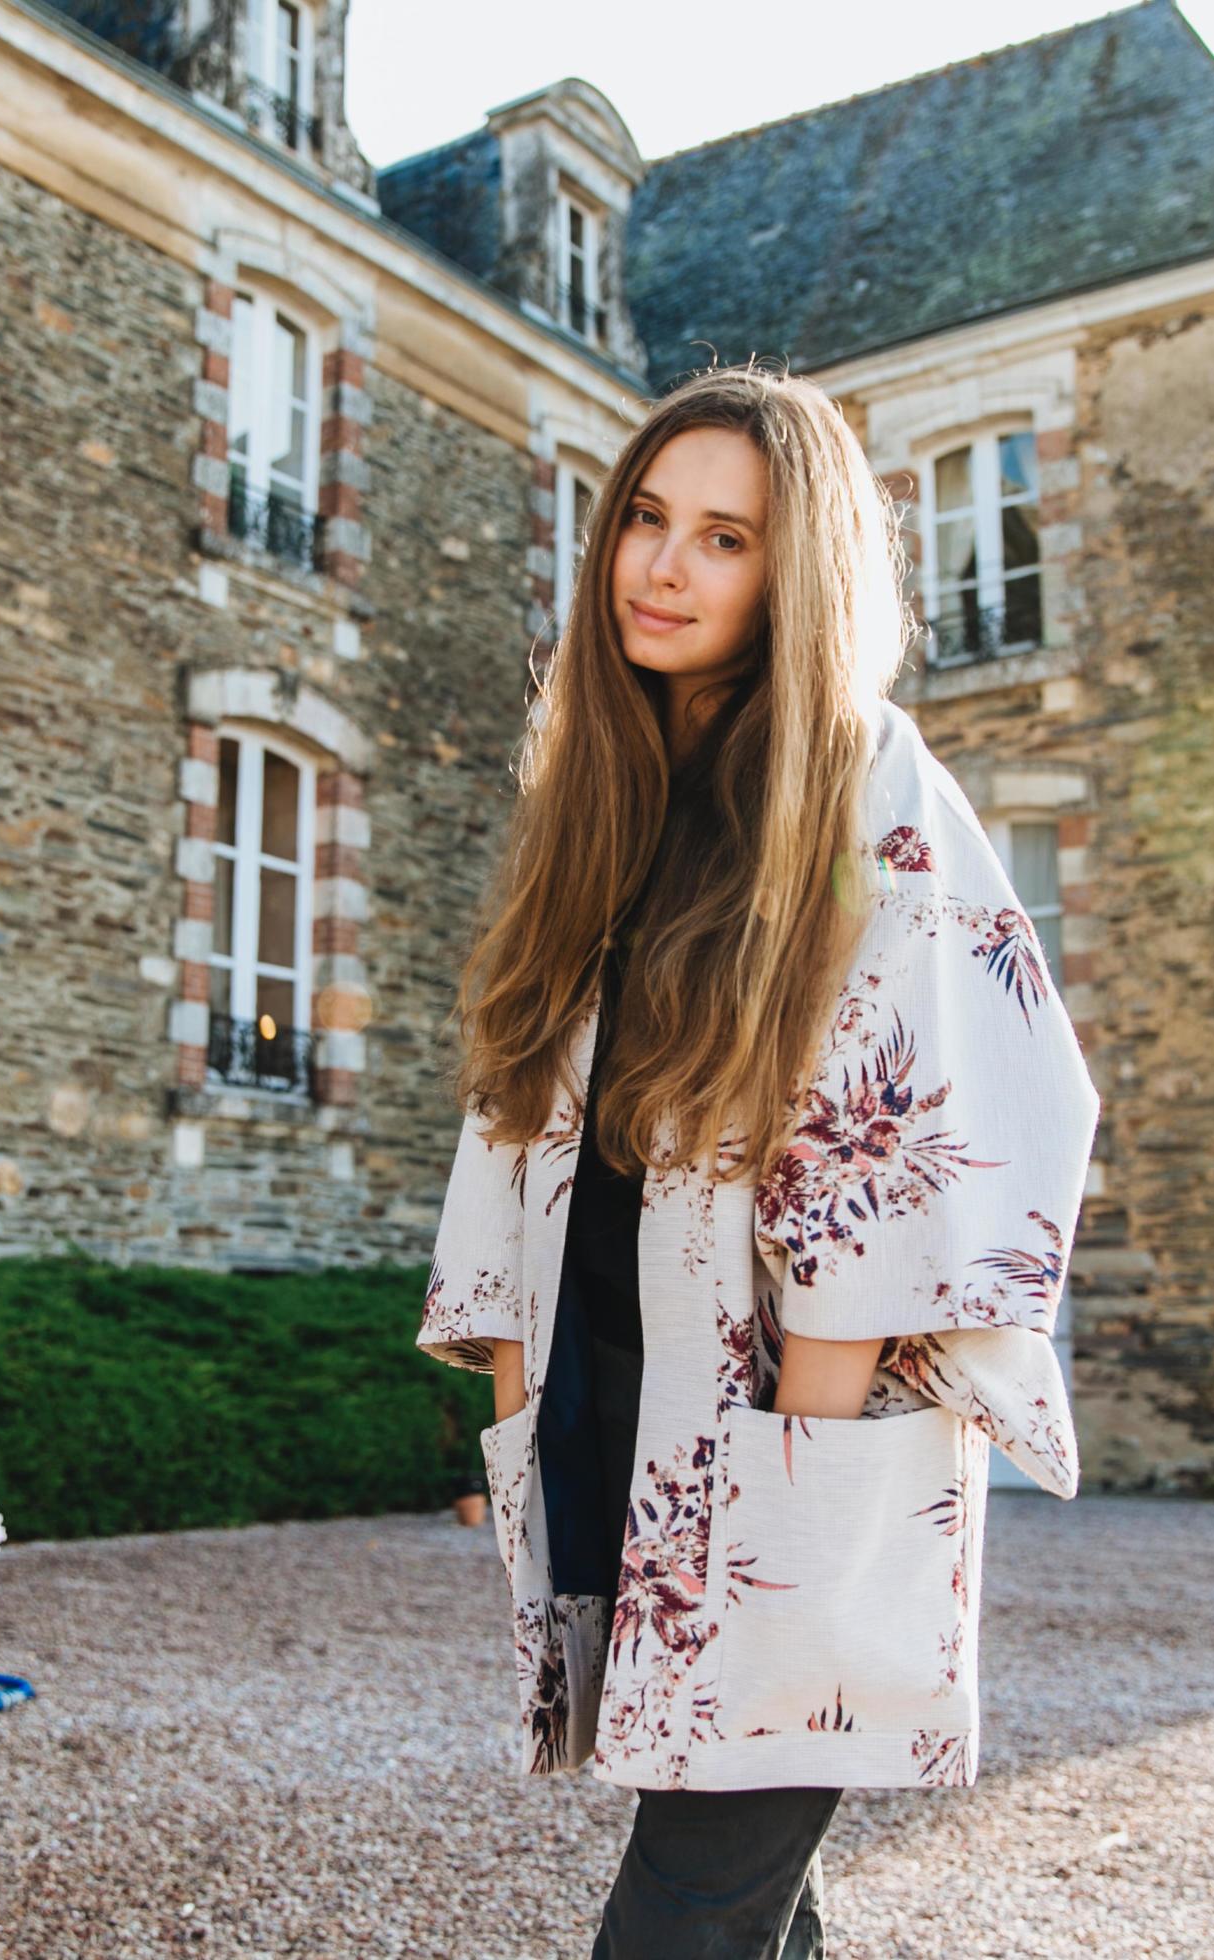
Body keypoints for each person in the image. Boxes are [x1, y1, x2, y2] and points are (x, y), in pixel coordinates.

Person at [416, 362, 1102, 1958]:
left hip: (794, 1441)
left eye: (725, 539)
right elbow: (514, 1105)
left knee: (678, 1924)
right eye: (647, 521)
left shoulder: (871, 787)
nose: (664, 566)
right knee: (745, 1909)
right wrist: (517, 1396)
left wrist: (791, 1480)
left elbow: (917, 1112)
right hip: (616, 1411)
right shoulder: (605, 792)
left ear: (796, 574)